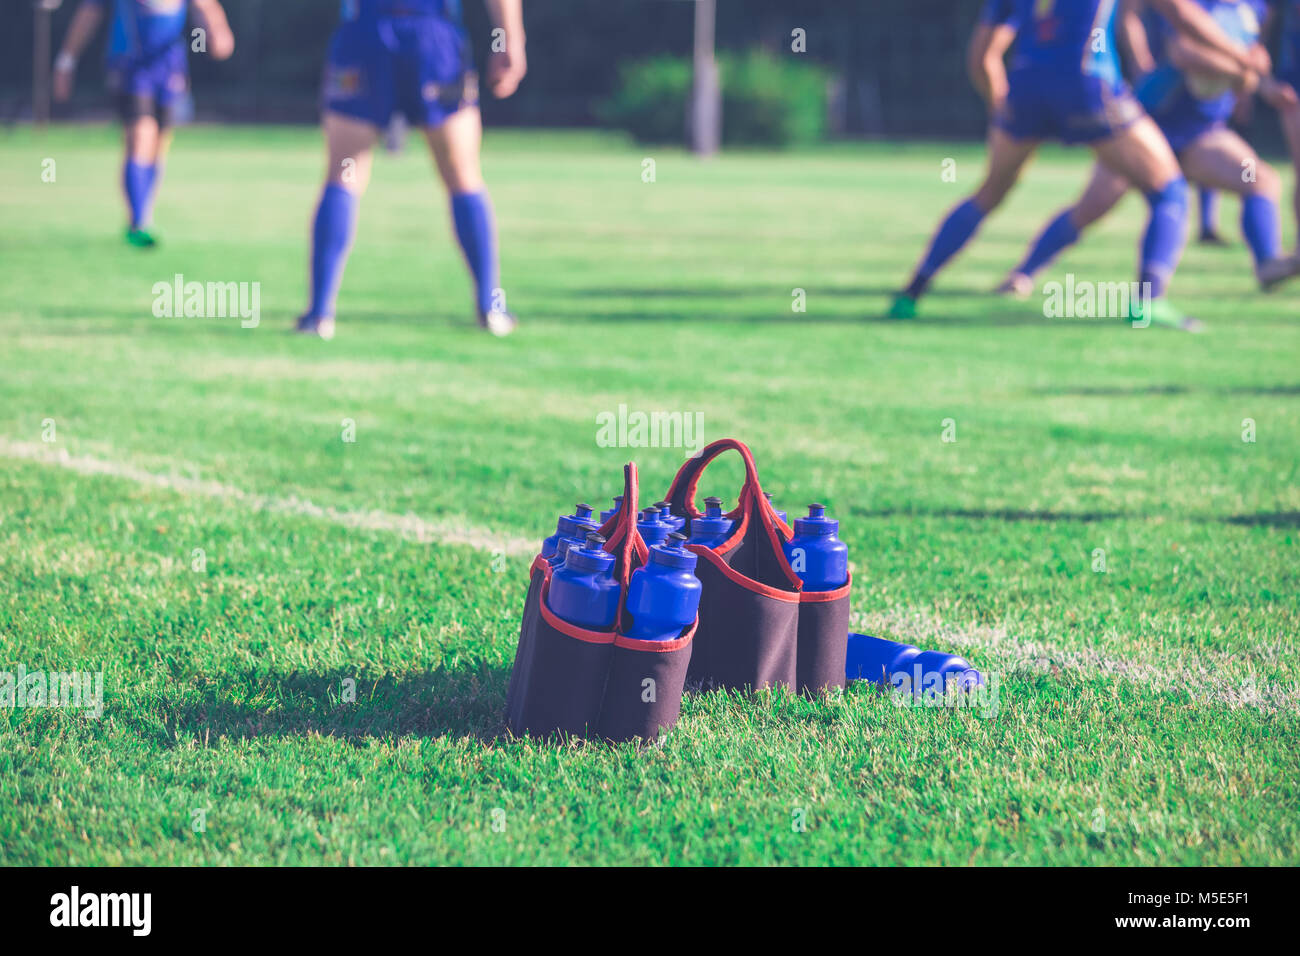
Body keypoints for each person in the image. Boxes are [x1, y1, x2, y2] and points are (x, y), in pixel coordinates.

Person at [889, 0, 1270, 330]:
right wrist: (1242, 56)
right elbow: (1182, 16)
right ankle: (1148, 302)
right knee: (1168, 190)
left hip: (1026, 86)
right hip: (1088, 85)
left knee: (988, 194)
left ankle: (911, 293)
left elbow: (982, 57)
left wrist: (1001, 107)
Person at [998, 0, 1300, 298]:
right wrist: (1242, 69)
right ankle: (1023, 273)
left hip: (1202, 132)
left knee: (1258, 180)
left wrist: (1262, 86)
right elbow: (1185, 53)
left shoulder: (1254, 9)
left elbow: (1248, 68)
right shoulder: (1198, 5)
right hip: (1154, 122)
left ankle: (1267, 265)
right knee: (1092, 207)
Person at [296, 0, 527, 340]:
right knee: (462, 175)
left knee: (344, 173)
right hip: (433, 41)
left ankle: (319, 315)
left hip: (365, 36)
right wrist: (510, 38)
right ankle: (490, 307)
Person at [52, 0, 235, 248]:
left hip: (170, 67)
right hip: (130, 66)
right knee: (140, 137)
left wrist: (217, 31)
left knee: (159, 145)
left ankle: (145, 214)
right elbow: (89, 12)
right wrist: (67, 60)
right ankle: (138, 222)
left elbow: (205, 6)